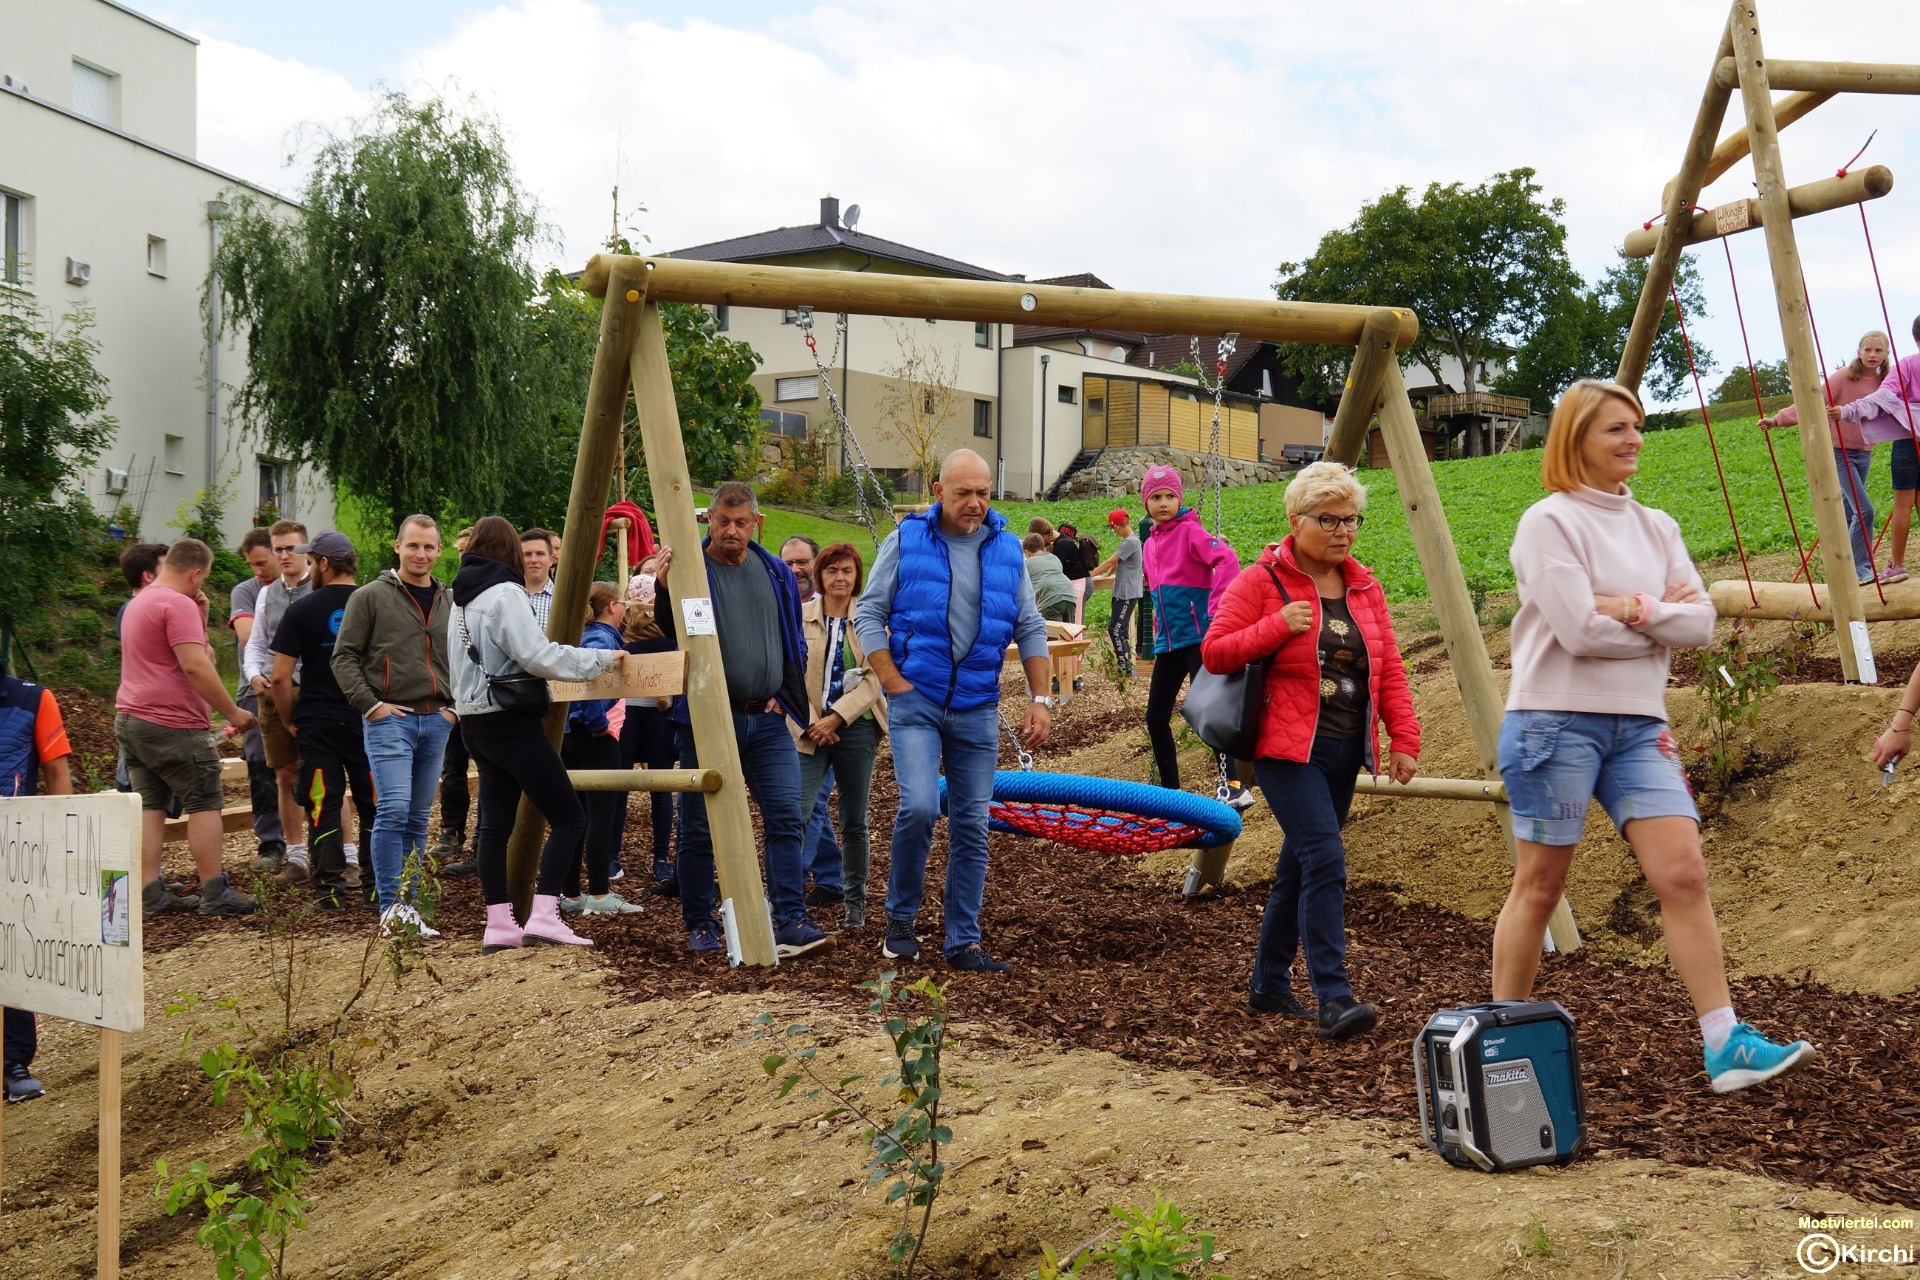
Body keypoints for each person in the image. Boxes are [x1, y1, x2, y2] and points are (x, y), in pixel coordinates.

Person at [1491, 379, 1814, 1094]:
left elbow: (1701, 623)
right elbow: (1576, 631)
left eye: (1636, 426)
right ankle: (1502, 1050)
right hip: (1554, 721)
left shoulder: (1657, 526)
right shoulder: (1549, 522)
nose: (1633, 438)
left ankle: (1725, 1042)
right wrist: (1655, 624)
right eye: (1616, 428)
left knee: (1684, 874)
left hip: (1641, 724)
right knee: (1541, 886)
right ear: (1576, 439)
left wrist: (1633, 608)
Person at [1201, 462, 1421, 1039]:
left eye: (1352, 520)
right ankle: (1334, 996)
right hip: (1285, 748)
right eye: (1330, 519)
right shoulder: (1261, 582)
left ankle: (1268, 986)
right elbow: (1216, 652)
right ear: (1296, 521)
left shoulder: (1364, 587)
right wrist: (1277, 625)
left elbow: (1390, 668)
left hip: (1345, 749)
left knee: (1299, 869)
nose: (1343, 530)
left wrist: (1404, 738)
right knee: (1324, 857)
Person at [855, 449, 1052, 973]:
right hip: (915, 701)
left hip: (977, 707)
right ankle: (900, 921)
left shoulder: (1008, 549)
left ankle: (963, 939)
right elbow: (869, 611)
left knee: (972, 823)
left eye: (983, 493)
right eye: (963, 492)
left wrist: (1039, 698)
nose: (974, 503)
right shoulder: (906, 539)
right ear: (938, 491)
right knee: (919, 807)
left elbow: (1029, 626)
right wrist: (892, 681)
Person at [655, 483, 834, 959]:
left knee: (785, 818)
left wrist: (782, 692)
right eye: (722, 521)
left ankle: (790, 918)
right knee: (697, 826)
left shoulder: (774, 571)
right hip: (710, 719)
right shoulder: (692, 569)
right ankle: (701, 923)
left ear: (755, 523)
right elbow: (672, 629)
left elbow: (793, 637)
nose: (731, 531)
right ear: (708, 520)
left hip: (768, 721)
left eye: (741, 522)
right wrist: (662, 586)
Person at [450, 516, 625, 951]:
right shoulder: (505, 594)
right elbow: (537, 655)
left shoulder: (458, 600)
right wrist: (599, 661)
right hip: (512, 722)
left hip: (475, 721)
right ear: (509, 551)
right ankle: (545, 914)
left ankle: (500, 923)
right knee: (570, 817)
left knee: (494, 826)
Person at [115, 539, 257, 916]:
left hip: (131, 718)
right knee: (205, 800)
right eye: (203, 578)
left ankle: (150, 890)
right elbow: (196, 667)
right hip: (171, 721)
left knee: (151, 805)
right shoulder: (175, 604)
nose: (201, 585)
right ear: (195, 572)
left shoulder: (139, 602)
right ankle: (215, 891)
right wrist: (233, 713)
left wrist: (202, 618)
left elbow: (195, 653)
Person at [331, 515, 454, 935]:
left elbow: (465, 658)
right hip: (390, 720)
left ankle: (409, 907)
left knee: (419, 817)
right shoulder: (370, 597)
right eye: (413, 546)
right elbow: (343, 656)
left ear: (440, 552)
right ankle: (390, 907)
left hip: (436, 719)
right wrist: (370, 705)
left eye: (429, 547)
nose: (421, 554)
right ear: (397, 547)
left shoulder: (450, 602)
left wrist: (454, 708)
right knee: (394, 809)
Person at [1138, 465, 1254, 810]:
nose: (1163, 503)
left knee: (1208, 709)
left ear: (1179, 499)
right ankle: (1170, 793)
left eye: (1170, 496)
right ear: (1146, 504)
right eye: (1156, 497)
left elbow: (1227, 559)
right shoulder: (1149, 544)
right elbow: (1155, 592)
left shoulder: (1191, 533)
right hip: (1169, 643)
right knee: (1155, 716)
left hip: (1198, 637)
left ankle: (1232, 784)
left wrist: (1215, 609)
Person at [271, 532, 376, 912]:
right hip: (371, 721)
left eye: (312, 562)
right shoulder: (376, 601)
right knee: (374, 805)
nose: (311, 569)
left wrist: (287, 719)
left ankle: (330, 893)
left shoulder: (302, 609)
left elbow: (280, 677)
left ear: (325, 564)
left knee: (321, 804)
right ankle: (376, 889)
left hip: (318, 723)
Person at [794, 542, 889, 930]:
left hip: (856, 727)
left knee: (854, 820)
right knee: (793, 816)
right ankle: (785, 897)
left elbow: (875, 677)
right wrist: (813, 721)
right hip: (806, 728)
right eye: (832, 571)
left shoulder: (869, 621)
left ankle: (854, 902)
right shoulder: (799, 617)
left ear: (856, 577)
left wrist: (836, 718)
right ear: (821, 576)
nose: (839, 578)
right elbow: (790, 673)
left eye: (847, 571)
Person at [1762, 331, 1890, 584]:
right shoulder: (1844, 377)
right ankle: (1860, 569)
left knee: (1848, 513)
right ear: (1859, 351)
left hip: (1864, 453)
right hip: (1839, 452)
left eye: (1878, 351)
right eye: (1868, 350)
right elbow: (1812, 400)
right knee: (1865, 511)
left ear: (1886, 355)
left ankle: (1840, 566)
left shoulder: (1885, 382)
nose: (1873, 355)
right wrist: (1778, 420)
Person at [2, 671, 75, 1102]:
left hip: (12, 851)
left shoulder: (33, 700)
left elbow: (57, 773)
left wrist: (57, 849)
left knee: (10, 952)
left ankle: (12, 1062)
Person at [245, 521, 326, 884]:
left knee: (326, 775)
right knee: (284, 775)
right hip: (273, 692)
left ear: (307, 550)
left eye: (291, 548)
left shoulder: (323, 587)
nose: (284, 555)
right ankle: (296, 857)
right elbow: (257, 643)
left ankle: (341, 854)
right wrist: (252, 674)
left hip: (314, 692)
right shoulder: (267, 594)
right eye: (278, 549)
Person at [561, 582, 645, 915]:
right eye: (622, 603)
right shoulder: (602, 638)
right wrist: (598, 724)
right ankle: (598, 894)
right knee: (600, 816)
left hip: (571, 736)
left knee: (575, 816)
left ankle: (570, 892)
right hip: (595, 738)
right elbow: (591, 682)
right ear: (611, 606)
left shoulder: (580, 634)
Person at [779, 534, 847, 907]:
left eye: (802, 562)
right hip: (788, 722)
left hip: (830, 726)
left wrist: (828, 719)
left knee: (806, 801)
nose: (795, 570)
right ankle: (831, 879)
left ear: (816, 564)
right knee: (808, 801)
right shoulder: (778, 605)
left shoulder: (833, 608)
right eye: (787, 563)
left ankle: (789, 890)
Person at [1836, 317, 1920, 581]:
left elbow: (1880, 400)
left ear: (1915, 338)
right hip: (1853, 450)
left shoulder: (1907, 365)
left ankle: (1897, 566)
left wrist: (1847, 411)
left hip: (1909, 443)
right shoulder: (1844, 377)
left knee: (1903, 505)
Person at [621, 554, 681, 893]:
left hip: (660, 712)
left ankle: (661, 856)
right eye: (644, 575)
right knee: (618, 784)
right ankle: (612, 855)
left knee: (661, 787)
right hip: (628, 710)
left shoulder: (669, 620)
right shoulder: (622, 627)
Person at [228, 528, 285, 870]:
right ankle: (270, 843)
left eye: (262, 563)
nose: (257, 571)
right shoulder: (247, 592)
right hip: (256, 689)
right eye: (251, 565)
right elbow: (249, 637)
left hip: (298, 685)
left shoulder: (305, 587)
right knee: (260, 766)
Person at [433, 526, 480, 876]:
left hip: (483, 697)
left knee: (492, 772)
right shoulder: (449, 597)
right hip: (452, 696)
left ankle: (484, 839)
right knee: (452, 768)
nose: (464, 559)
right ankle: (451, 829)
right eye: (460, 553)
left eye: (469, 551)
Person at [1090, 509, 1143, 677]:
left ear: (1118, 527)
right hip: (1123, 591)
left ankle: (1124, 667)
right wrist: (1105, 575)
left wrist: (1090, 575)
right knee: (1121, 630)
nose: (1113, 531)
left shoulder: (1131, 542)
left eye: (1113, 528)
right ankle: (1125, 665)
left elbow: (1111, 560)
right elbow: (1117, 561)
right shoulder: (1128, 541)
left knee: (1115, 629)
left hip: (1126, 593)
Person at [1023, 533, 1078, 625]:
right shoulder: (1054, 558)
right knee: (1069, 632)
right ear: (1044, 548)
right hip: (1069, 593)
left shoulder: (1027, 564)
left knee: (1053, 635)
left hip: (1050, 599)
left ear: (1026, 552)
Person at [1052, 520, 1090, 623]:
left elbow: (1054, 566)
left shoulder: (1061, 545)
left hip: (1078, 583)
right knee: (1073, 620)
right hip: (1078, 582)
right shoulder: (1068, 544)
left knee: (1075, 621)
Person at [521, 527, 557, 632]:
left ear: (551, 560)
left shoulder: (562, 601)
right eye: (527, 554)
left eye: (540, 554)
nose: (533, 560)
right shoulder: (506, 596)